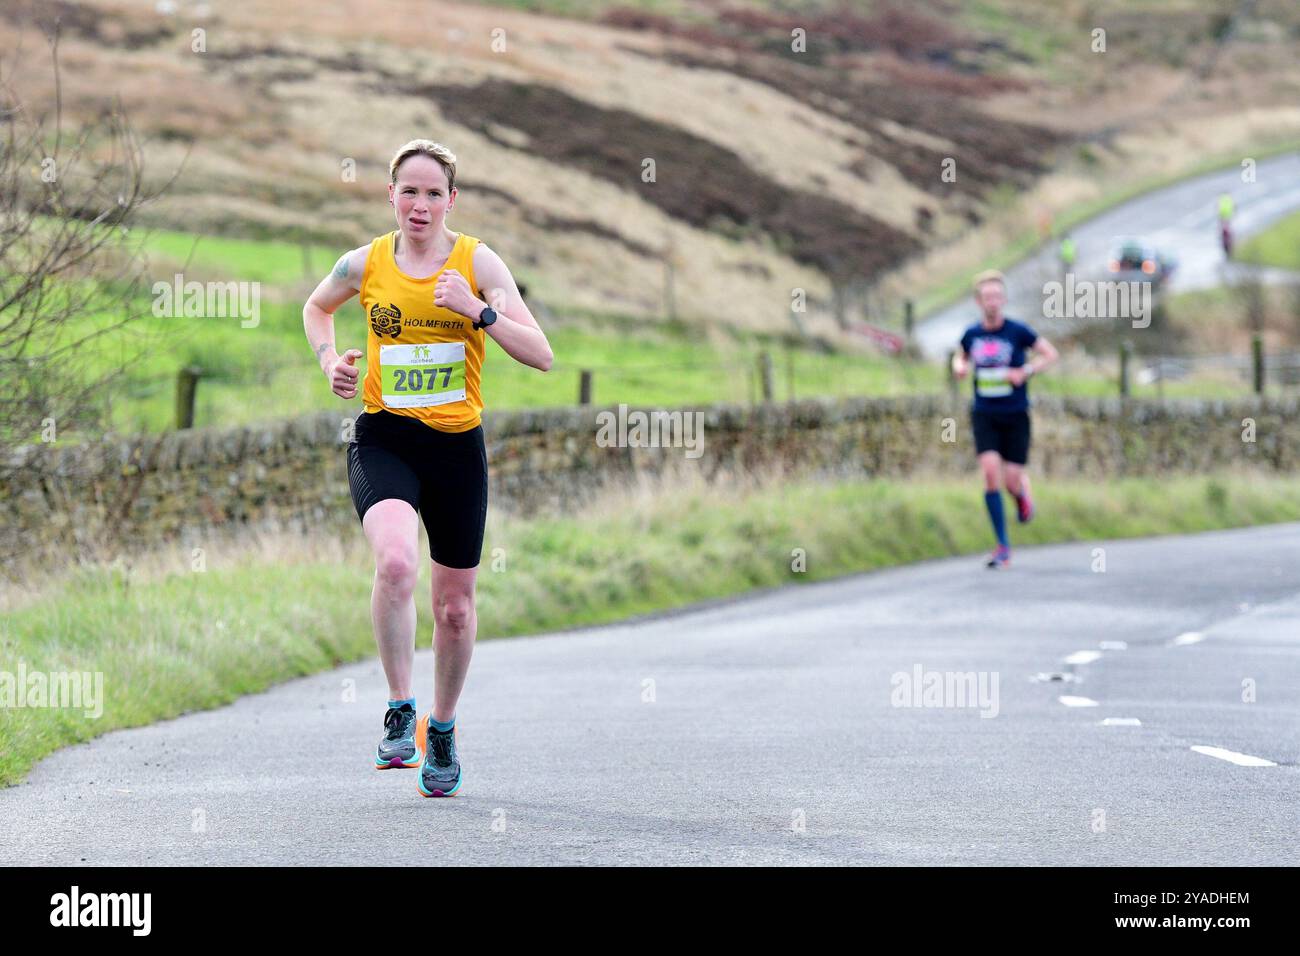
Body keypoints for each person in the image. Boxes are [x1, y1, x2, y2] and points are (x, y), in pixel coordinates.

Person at [302, 139, 553, 797]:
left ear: (451, 200)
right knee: (393, 563)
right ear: (390, 195)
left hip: (456, 451)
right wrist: (331, 363)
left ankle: (440, 729)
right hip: (384, 438)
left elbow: (542, 354)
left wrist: (478, 310)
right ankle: (398, 706)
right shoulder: (365, 262)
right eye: (408, 191)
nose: (419, 204)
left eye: (433, 193)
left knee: (456, 610)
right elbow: (315, 307)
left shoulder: (477, 261)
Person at [951, 270, 1059, 569]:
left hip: (1015, 415)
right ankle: (1002, 546)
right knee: (989, 474)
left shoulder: (1018, 332)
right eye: (987, 297)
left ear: (1004, 299)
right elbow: (959, 356)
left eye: (997, 296)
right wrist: (959, 367)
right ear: (978, 302)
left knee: (1010, 481)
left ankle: (1022, 495)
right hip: (984, 414)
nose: (993, 302)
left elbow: (1051, 354)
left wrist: (1024, 372)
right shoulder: (972, 335)